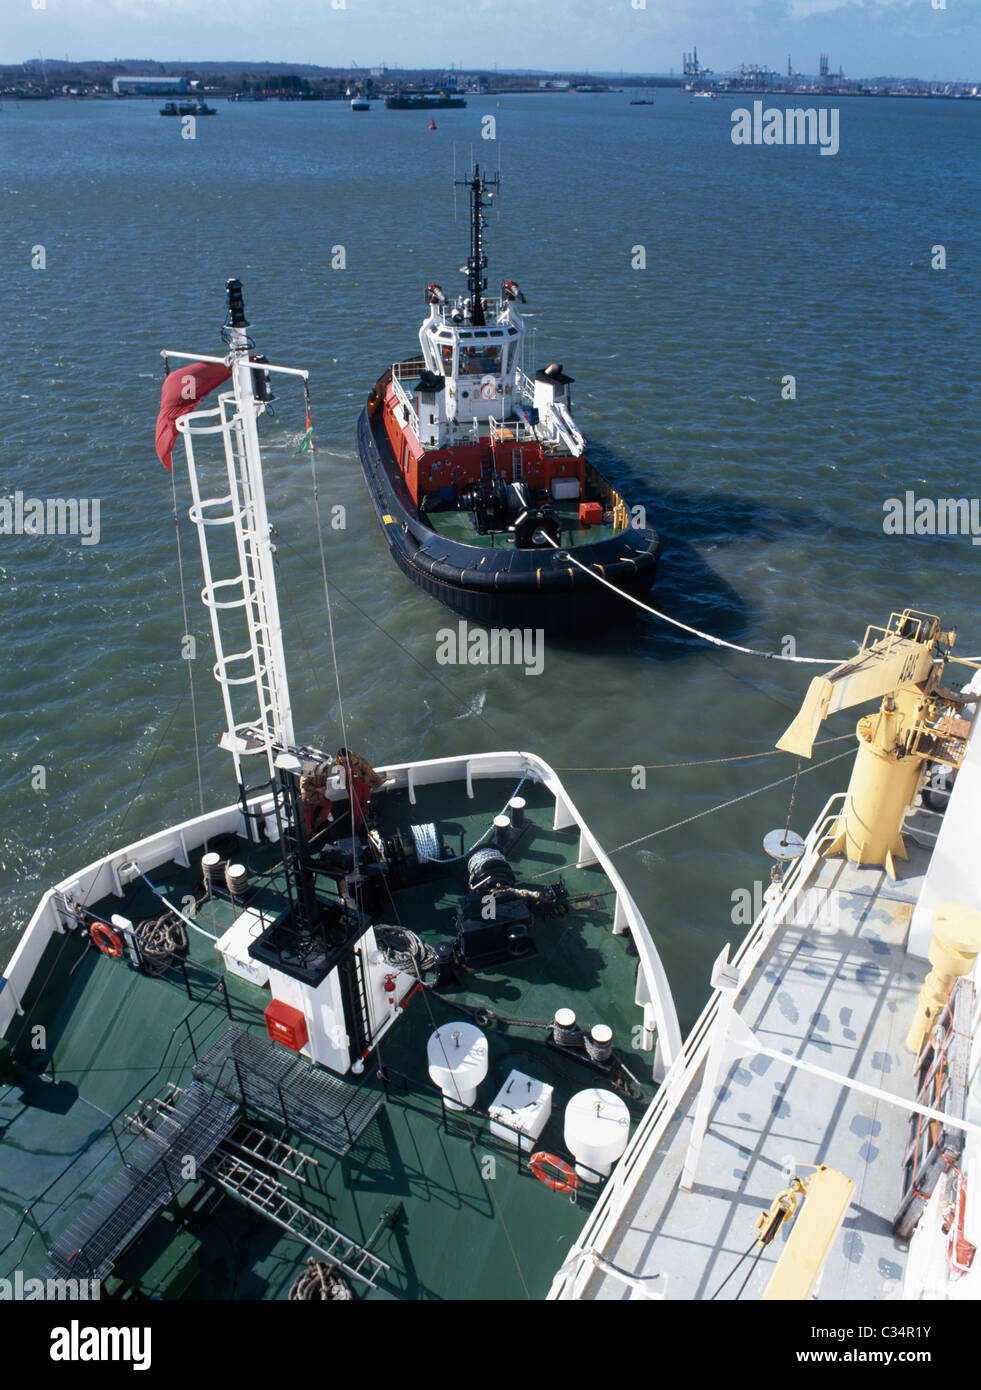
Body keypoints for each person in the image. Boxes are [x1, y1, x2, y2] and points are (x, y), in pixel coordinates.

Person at [333, 748, 385, 836]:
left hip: (362, 784)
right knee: (356, 808)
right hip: (352, 788)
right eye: (339, 757)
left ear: (347, 756)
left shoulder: (358, 760)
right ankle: (360, 825)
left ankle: (369, 821)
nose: (340, 759)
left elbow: (368, 771)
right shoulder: (338, 764)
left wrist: (365, 782)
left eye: (342, 757)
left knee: (366, 803)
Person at [299, 759, 333, 838]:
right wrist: (318, 789)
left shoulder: (325, 768)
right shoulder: (308, 766)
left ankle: (317, 824)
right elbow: (303, 785)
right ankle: (310, 835)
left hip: (318, 796)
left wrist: (324, 788)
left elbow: (324, 781)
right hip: (308, 798)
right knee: (308, 820)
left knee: (328, 805)